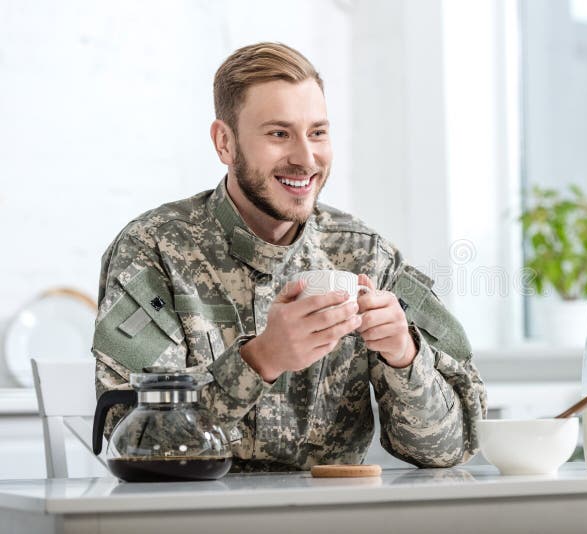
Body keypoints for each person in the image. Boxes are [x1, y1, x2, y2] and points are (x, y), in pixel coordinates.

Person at [93, 42, 487, 472]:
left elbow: (454, 447)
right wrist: (262, 360)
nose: (305, 158)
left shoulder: (366, 256)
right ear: (225, 143)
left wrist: (404, 355)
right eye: (279, 134)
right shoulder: (154, 250)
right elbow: (133, 442)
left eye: (317, 132)